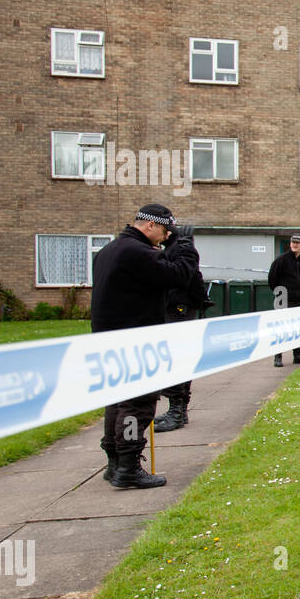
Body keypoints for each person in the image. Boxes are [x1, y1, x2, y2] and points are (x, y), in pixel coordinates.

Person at [91, 203, 200, 489]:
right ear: (149, 225)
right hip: (134, 339)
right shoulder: (135, 252)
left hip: (108, 338)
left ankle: (115, 464)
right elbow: (178, 275)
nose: (166, 237)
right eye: (165, 231)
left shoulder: (109, 250)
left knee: (116, 402)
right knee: (137, 404)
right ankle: (127, 468)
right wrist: (186, 246)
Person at [152, 250, 211, 433]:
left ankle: (176, 411)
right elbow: (198, 284)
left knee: (176, 360)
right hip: (182, 309)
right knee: (182, 360)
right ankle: (180, 410)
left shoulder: (177, 254)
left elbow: (191, 280)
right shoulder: (183, 253)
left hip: (177, 311)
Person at [267, 234, 300, 367]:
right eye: (293, 242)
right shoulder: (281, 259)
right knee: (281, 328)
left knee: (299, 327)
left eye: (297, 242)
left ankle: (298, 355)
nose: (295, 244)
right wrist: (280, 292)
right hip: (284, 299)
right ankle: (278, 356)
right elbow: (272, 279)